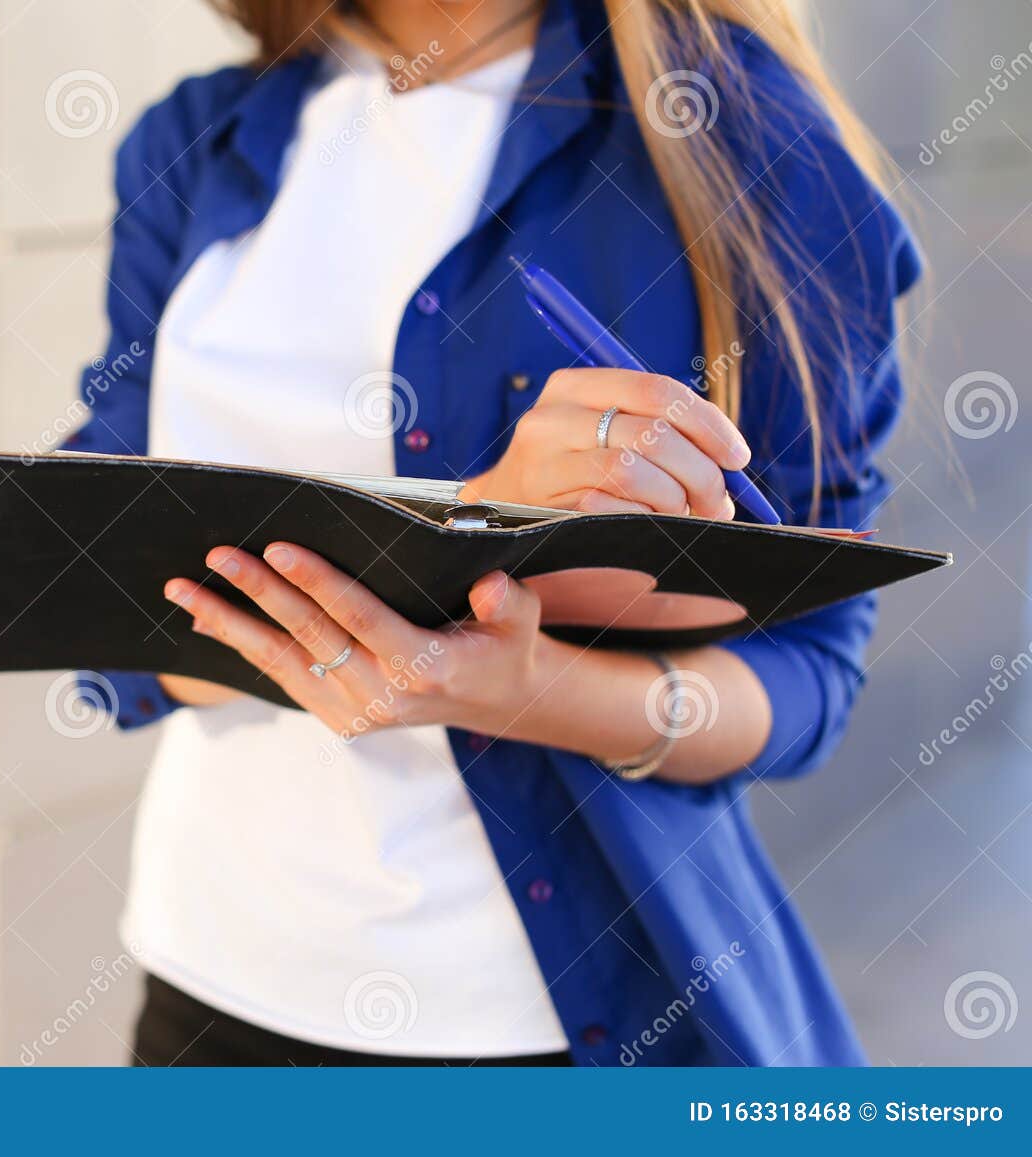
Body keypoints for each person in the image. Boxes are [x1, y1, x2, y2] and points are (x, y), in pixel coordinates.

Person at [60, 0, 919, 1066]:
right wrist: (472, 517)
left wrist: (533, 687)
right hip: (216, 979)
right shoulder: (193, 140)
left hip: (556, 1026)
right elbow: (101, 582)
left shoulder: (746, 140)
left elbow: (809, 670)